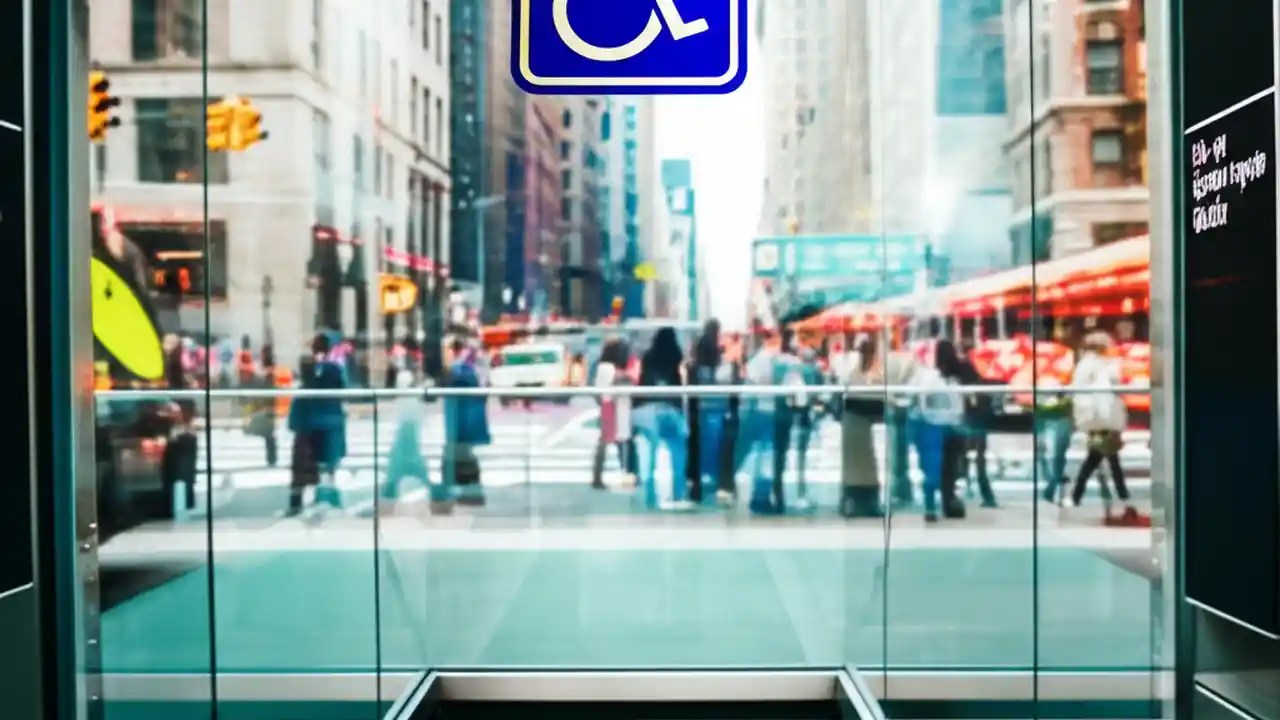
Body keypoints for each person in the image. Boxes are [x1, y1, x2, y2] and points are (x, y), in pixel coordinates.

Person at [1069, 331, 1144, 524]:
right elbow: (1104, 395)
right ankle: (1122, 498)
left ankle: (1080, 496)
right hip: (1103, 419)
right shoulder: (1100, 367)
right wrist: (1109, 421)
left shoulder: (1085, 366)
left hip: (1096, 420)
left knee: (1102, 460)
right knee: (1104, 461)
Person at [285, 334, 348, 517]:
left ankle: (297, 503)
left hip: (309, 423)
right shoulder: (334, 369)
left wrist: (295, 422)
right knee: (326, 465)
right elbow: (341, 390)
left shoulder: (313, 372)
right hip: (326, 421)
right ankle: (325, 500)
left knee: (302, 467)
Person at [632, 327, 691, 510]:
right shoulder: (675, 357)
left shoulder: (648, 358)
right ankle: (678, 492)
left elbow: (641, 384)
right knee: (678, 450)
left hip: (649, 408)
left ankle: (650, 494)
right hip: (671, 408)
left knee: (650, 452)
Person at [443, 339, 491, 507]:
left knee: (459, 457)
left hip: (461, 426)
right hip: (465, 425)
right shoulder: (466, 368)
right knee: (462, 456)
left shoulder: (460, 370)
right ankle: (469, 494)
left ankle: (466, 494)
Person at [841, 335, 885, 518]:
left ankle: (856, 502)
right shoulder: (865, 373)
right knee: (862, 465)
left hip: (856, 422)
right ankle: (862, 502)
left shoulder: (859, 372)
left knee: (857, 464)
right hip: (858, 421)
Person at [953, 341, 999, 508]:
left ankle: (961, 490)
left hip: (969, 422)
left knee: (963, 458)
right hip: (979, 423)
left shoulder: (963, 384)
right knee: (979, 462)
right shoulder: (982, 381)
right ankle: (986, 496)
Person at [592, 337, 636, 489]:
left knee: (610, 441)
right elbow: (617, 381)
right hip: (611, 405)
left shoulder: (602, 366)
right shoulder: (608, 368)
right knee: (610, 440)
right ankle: (626, 472)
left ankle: (600, 475)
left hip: (608, 404)